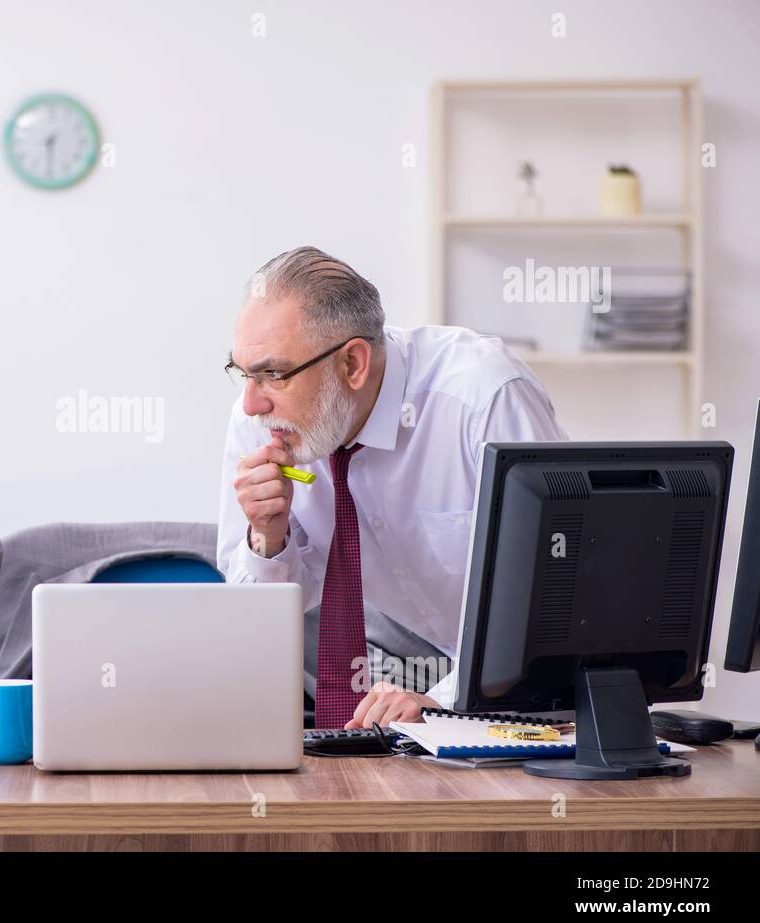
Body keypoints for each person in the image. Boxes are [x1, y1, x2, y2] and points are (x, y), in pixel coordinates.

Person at [217, 246, 567, 728]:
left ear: (353, 364)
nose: (252, 402)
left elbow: (553, 595)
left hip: (524, 677)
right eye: (243, 373)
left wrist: (443, 701)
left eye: (274, 374)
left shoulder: (483, 399)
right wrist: (267, 538)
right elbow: (249, 629)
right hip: (398, 652)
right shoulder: (262, 421)